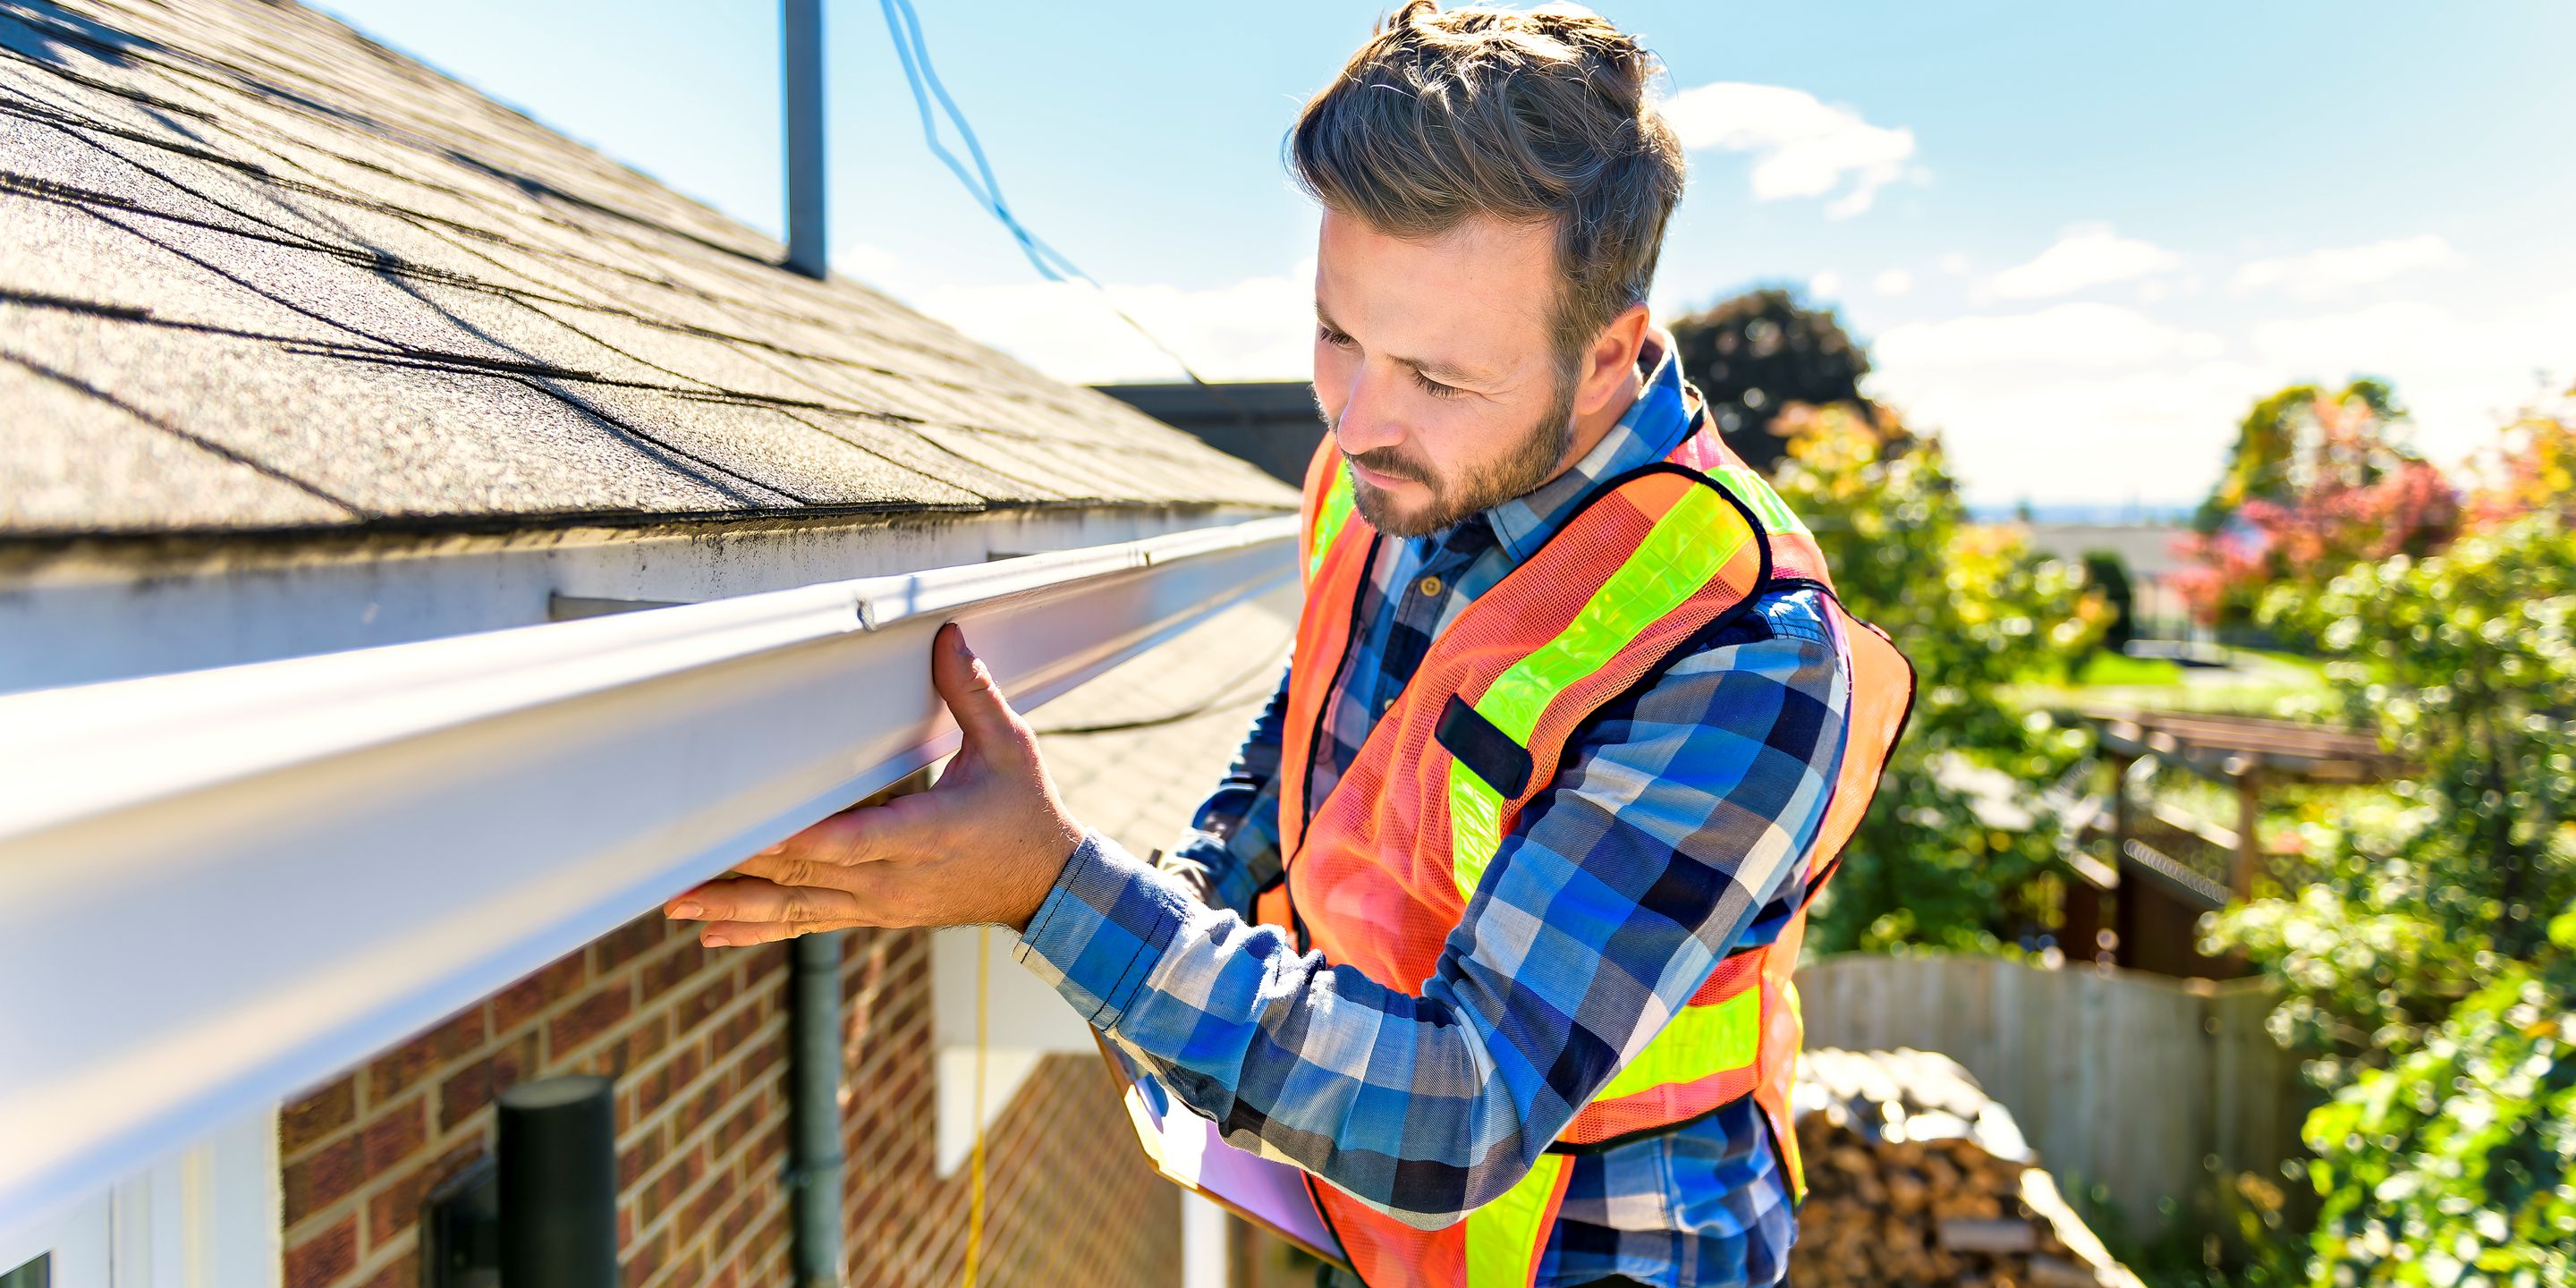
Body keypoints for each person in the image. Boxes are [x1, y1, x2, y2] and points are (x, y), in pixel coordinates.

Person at [663, 4, 1912, 1285]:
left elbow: (1461, 1110)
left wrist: (1056, 893)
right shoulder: (1382, 470)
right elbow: (1312, 724)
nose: (1361, 417)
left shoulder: (1741, 653)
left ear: (1606, 356)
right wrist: (1184, 892)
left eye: (1438, 377)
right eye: (1336, 334)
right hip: (1372, 1232)